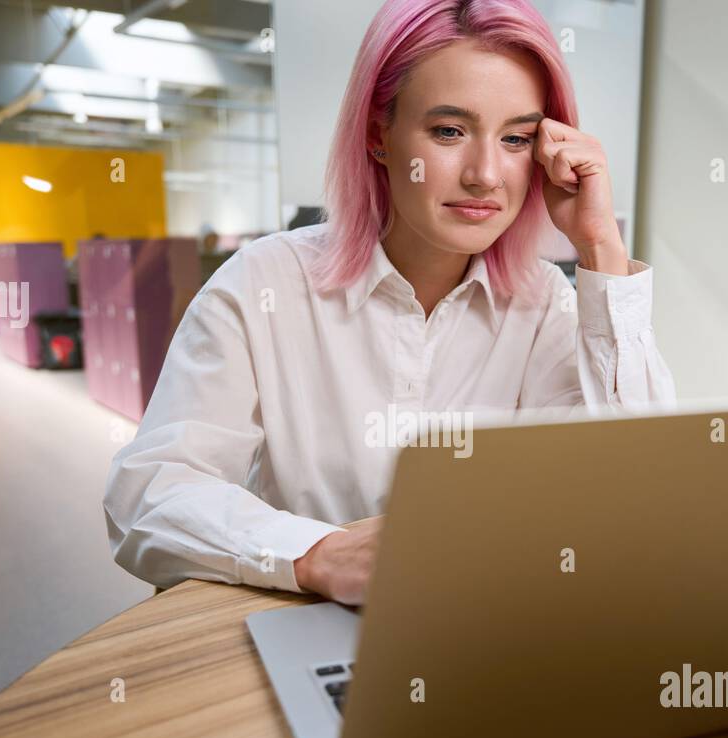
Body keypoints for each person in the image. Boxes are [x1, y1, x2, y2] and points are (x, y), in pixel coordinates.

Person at [103, 0, 676, 606]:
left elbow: (639, 492)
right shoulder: (263, 284)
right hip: (302, 621)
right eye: (449, 131)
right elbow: (151, 492)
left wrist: (600, 246)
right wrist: (315, 554)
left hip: (482, 627)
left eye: (516, 139)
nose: (486, 174)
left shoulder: (545, 306)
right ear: (379, 136)